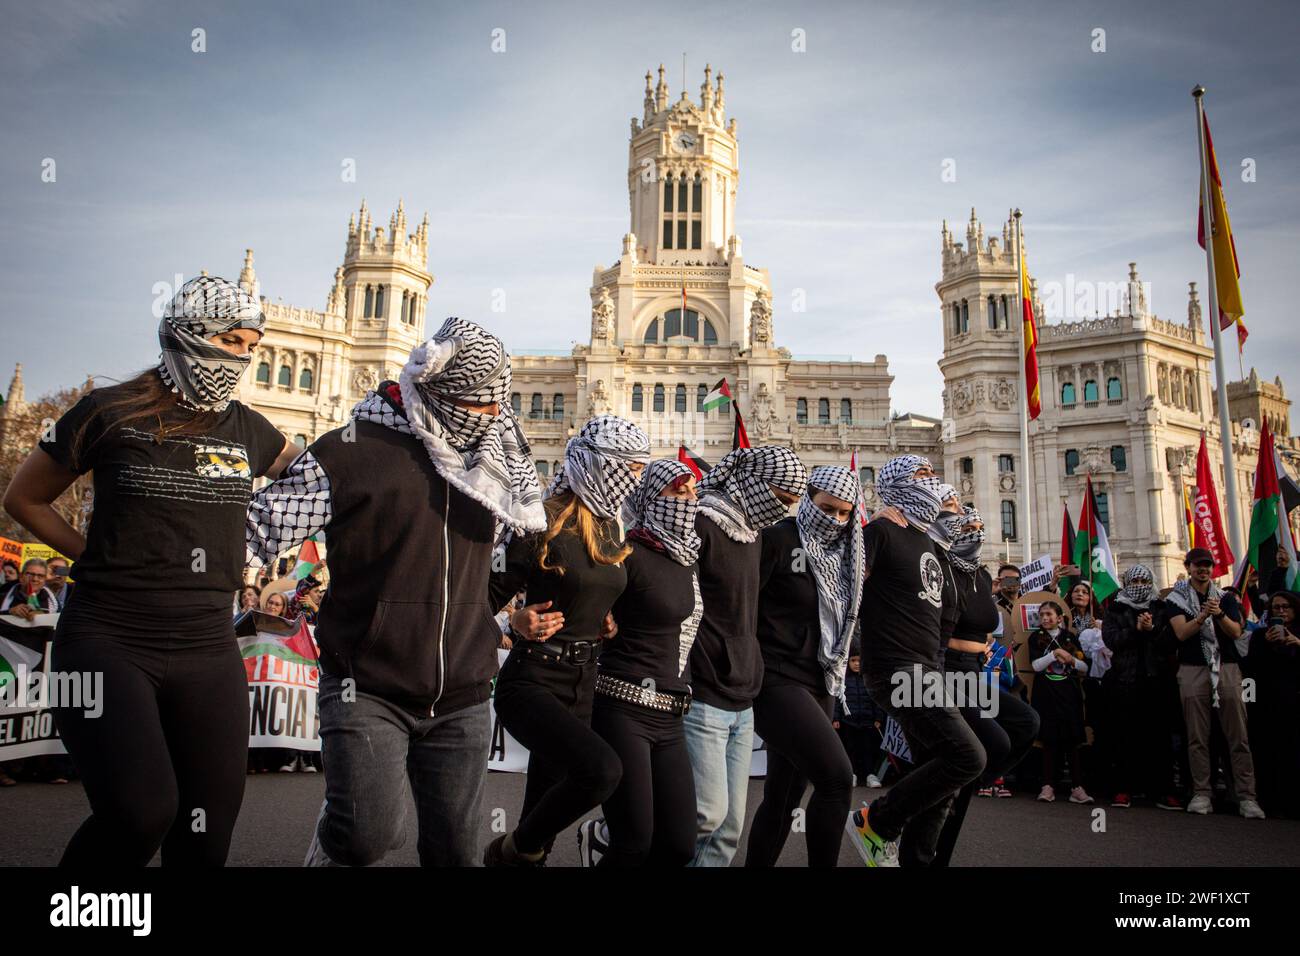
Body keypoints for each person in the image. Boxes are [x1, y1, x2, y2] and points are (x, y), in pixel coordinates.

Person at [2, 275, 297, 866]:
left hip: (208, 648)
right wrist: (92, 555)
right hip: (106, 639)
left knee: (204, 838)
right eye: (234, 341)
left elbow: (321, 481)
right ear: (190, 335)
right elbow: (24, 499)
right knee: (140, 815)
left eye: (252, 346)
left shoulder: (250, 429)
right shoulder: (107, 411)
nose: (243, 358)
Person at [247, 316, 547, 866]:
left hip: (463, 691)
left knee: (455, 851)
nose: (491, 418)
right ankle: (334, 837)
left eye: (497, 404)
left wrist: (488, 622)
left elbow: (507, 561)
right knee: (365, 835)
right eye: (479, 404)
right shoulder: (350, 452)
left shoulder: (497, 466)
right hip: (368, 686)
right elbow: (258, 529)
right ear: (441, 392)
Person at [482, 415, 650, 866]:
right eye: (629, 469)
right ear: (600, 465)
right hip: (533, 678)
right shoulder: (540, 519)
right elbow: (480, 596)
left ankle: (520, 852)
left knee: (544, 809)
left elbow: (595, 592)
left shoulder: (612, 528)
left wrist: (604, 619)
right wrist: (512, 620)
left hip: (584, 682)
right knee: (600, 771)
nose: (635, 481)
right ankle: (506, 849)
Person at [845, 454, 986, 868]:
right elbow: (844, 582)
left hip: (927, 668)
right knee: (969, 757)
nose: (930, 480)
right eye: (920, 475)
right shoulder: (883, 530)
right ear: (896, 485)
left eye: (931, 474)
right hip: (895, 668)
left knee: (940, 773)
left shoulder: (927, 540)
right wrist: (863, 523)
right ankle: (878, 821)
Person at [683, 444, 807, 867]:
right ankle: (617, 838)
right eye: (780, 497)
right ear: (753, 484)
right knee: (704, 814)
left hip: (743, 694)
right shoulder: (702, 524)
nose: (783, 510)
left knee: (729, 828)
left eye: (791, 503)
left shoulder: (755, 536)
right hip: (703, 691)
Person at [745, 466, 861, 868]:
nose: (836, 520)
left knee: (785, 793)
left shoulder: (847, 552)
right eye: (828, 508)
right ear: (808, 498)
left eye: (846, 513)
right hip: (776, 678)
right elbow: (743, 607)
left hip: (821, 680)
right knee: (836, 777)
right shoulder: (778, 539)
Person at [591, 459, 702, 867]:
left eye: (692, 491)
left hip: (671, 713)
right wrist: (599, 619)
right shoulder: (626, 552)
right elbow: (588, 603)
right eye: (677, 491)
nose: (689, 500)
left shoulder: (688, 557)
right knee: (633, 842)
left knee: (678, 846)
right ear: (651, 498)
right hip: (623, 708)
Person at [929, 503, 1039, 867]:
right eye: (968, 526)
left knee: (1026, 723)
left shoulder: (980, 574)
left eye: (980, 526)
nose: (976, 533)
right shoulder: (937, 568)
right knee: (994, 741)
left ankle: (962, 785)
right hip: (945, 671)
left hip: (975, 672)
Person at [1166, 547, 1264, 818]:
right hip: (1193, 669)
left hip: (1227, 668)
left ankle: (1247, 796)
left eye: (1207, 565)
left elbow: (1235, 631)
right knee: (1197, 736)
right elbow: (1182, 633)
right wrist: (1201, 617)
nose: (1203, 570)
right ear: (1188, 567)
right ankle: (1202, 793)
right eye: (1198, 565)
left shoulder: (1225, 598)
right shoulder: (1176, 600)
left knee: (1238, 735)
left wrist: (1218, 613)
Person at [1096, 565, 1178, 809]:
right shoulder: (1116, 608)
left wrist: (1152, 630)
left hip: (1156, 680)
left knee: (1159, 737)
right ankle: (1123, 788)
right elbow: (1111, 640)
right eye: (1135, 581)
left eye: (1144, 580)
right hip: (1125, 681)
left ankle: (1163, 790)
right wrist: (1136, 630)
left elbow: (1170, 642)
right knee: (1124, 736)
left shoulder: (1161, 608)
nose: (1139, 585)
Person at [1029, 599, 1093, 804]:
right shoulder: (1036, 637)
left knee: (1072, 741)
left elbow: (1084, 666)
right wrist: (1054, 654)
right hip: (1046, 694)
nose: (1045, 619)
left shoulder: (1070, 637)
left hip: (1069, 695)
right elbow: (1036, 665)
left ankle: (1077, 786)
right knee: (1049, 741)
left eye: (1049, 615)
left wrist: (1071, 659)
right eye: (1042, 615)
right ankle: (1047, 786)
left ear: (1059, 617)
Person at [1249, 590, 1300, 818]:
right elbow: (1249, 669)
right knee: (1270, 753)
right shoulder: (1260, 636)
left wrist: (1297, 643)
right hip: (1268, 706)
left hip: (1294, 704)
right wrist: (1266, 646)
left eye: (1285, 607)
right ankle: (1272, 800)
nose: (1280, 612)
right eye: (1276, 608)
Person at [835, 638, 885, 788]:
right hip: (848, 722)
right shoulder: (843, 680)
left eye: (859, 660)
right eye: (853, 660)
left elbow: (876, 700)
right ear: (848, 662)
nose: (857, 663)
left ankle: (870, 774)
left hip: (868, 722)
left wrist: (878, 717)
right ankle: (852, 774)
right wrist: (835, 718)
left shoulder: (869, 679)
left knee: (868, 749)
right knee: (850, 749)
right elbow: (838, 701)